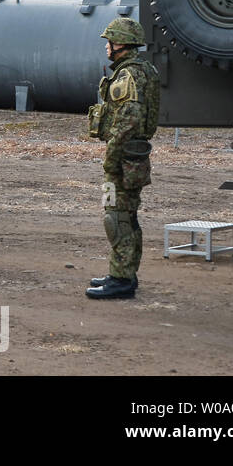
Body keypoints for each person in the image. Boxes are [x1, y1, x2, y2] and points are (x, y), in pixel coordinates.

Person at [86, 17, 160, 299]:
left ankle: (122, 280)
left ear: (122, 44)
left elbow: (126, 123)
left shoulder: (129, 76)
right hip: (134, 156)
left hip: (123, 158)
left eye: (110, 42)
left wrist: (111, 159)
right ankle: (122, 272)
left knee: (116, 218)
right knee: (126, 215)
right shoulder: (144, 70)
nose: (107, 47)